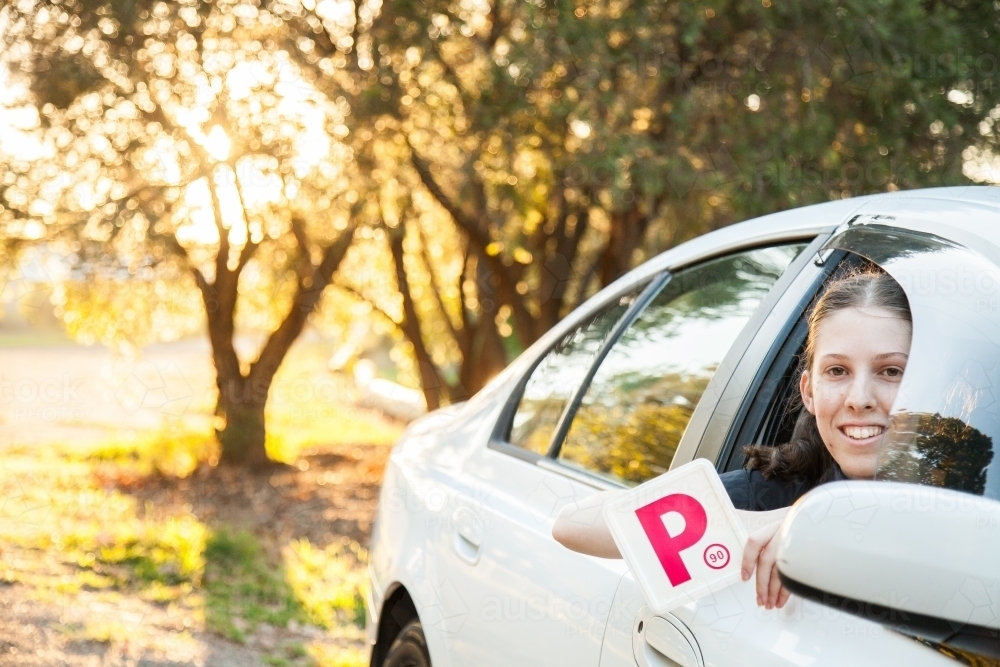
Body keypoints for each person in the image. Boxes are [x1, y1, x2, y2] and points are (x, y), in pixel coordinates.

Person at [551, 268, 913, 611]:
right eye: (837, 371)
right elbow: (572, 525)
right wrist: (787, 520)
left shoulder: (966, 497)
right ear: (809, 392)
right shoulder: (773, 492)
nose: (859, 397)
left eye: (891, 371)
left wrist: (837, 517)